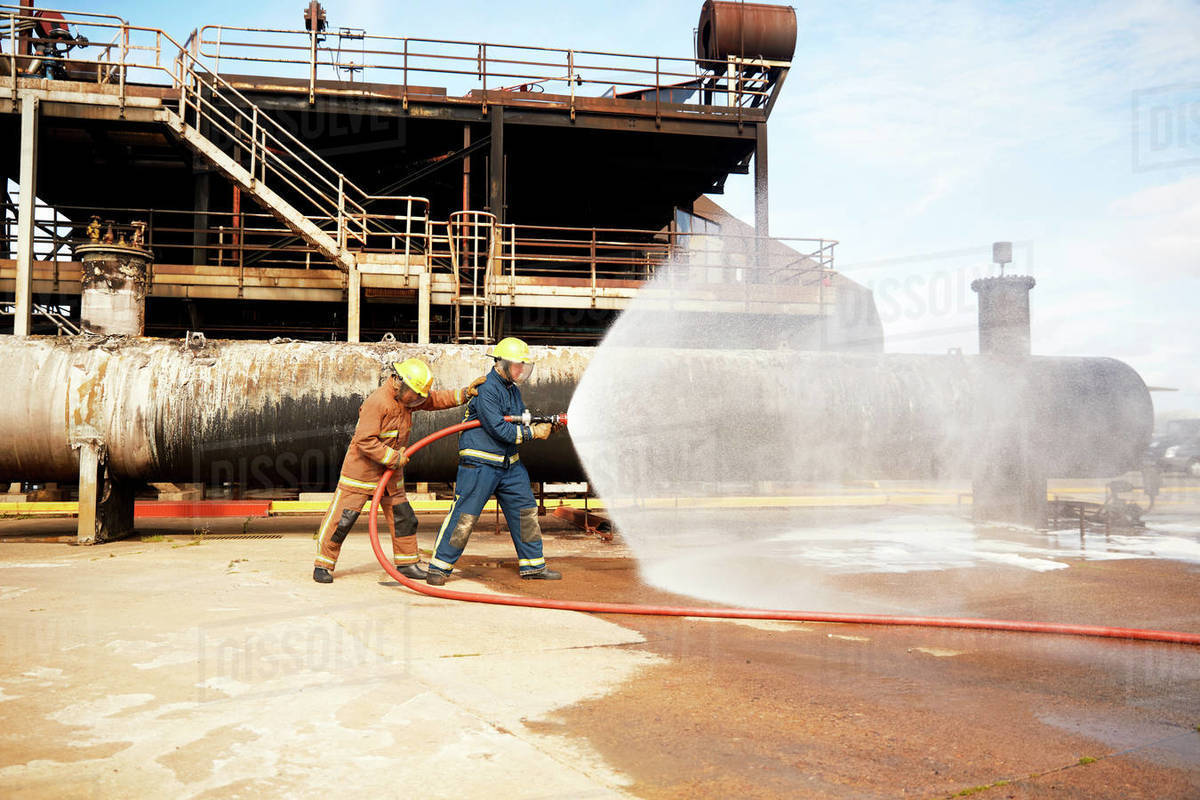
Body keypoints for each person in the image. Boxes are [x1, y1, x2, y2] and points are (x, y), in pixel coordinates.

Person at [313, 358, 485, 584]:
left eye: (418, 396)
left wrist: (463, 394)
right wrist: (394, 457)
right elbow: (364, 440)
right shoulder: (378, 402)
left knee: (403, 517)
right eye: (414, 394)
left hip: (391, 475)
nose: (417, 400)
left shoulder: (408, 399)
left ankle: (407, 563)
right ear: (398, 382)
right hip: (361, 474)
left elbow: (433, 399)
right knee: (342, 521)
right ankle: (323, 564)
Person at [427, 337, 562, 585]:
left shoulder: (512, 389)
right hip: (480, 464)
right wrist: (534, 432)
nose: (522, 371)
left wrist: (544, 425)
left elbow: (517, 421)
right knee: (465, 516)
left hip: (509, 464)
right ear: (501, 363)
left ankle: (533, 565)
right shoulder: (487, 389)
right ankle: (439, 567)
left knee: (525, 512)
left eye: (525, 366)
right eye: (518, 365)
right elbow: (500, 430)